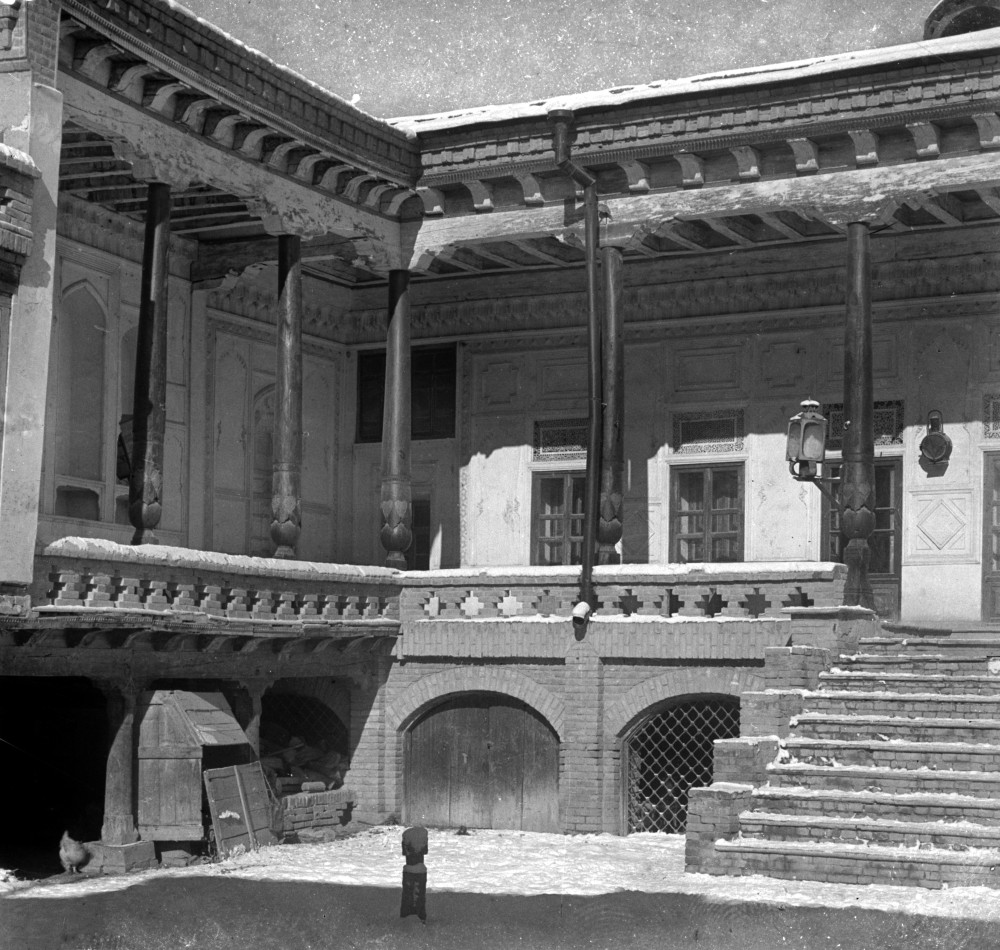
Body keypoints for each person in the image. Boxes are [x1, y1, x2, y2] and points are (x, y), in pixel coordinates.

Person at [400, 825, 428, 922]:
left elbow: (405, 852)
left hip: (410, 869)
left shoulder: (407, 840)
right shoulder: (422, 841)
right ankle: (420, 913)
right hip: (420, 870)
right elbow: (424, 851)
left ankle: (407, 912)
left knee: (409, 892)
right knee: (419, 893)